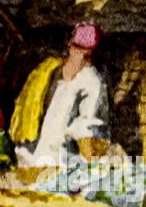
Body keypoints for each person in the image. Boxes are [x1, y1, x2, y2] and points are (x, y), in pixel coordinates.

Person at [10, 24, 109, 168]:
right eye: (78, 49)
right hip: (35, 156)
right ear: (69, 45)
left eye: (87, 55)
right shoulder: (49, 73)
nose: (81, 58)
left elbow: (88, 125)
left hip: (66, 161)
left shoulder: (91, 81)